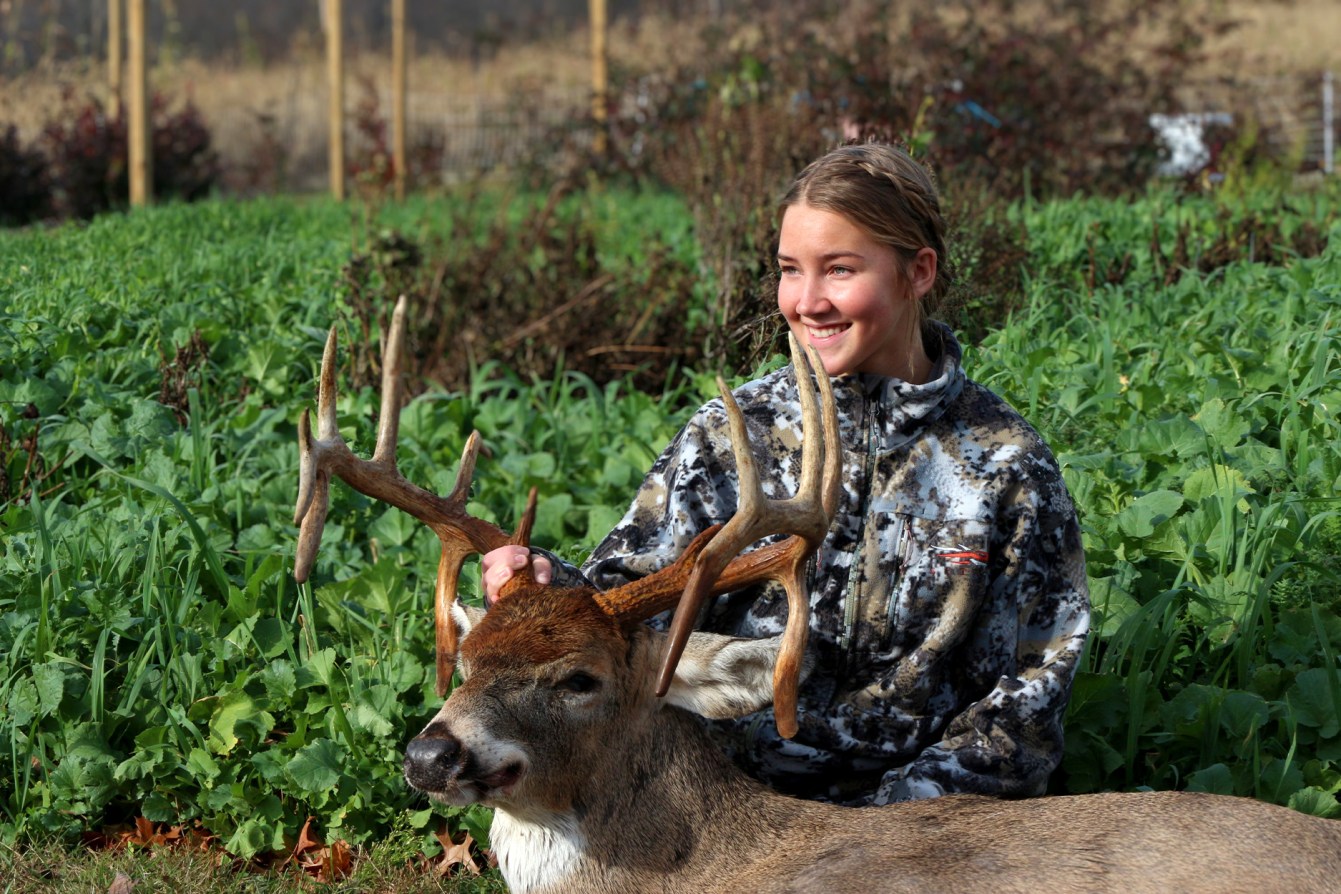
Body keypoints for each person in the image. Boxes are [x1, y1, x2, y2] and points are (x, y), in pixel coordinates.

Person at [481, 142, 1090, 806]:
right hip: (727, 805)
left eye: (839, 270)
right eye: (789, 270)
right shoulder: (733, 433)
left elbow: (1026, 699)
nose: (807, 301)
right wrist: (545, 588)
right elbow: (623, 618)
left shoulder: (1004, 462)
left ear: (917, 272)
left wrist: (896, 822)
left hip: (921, 822)